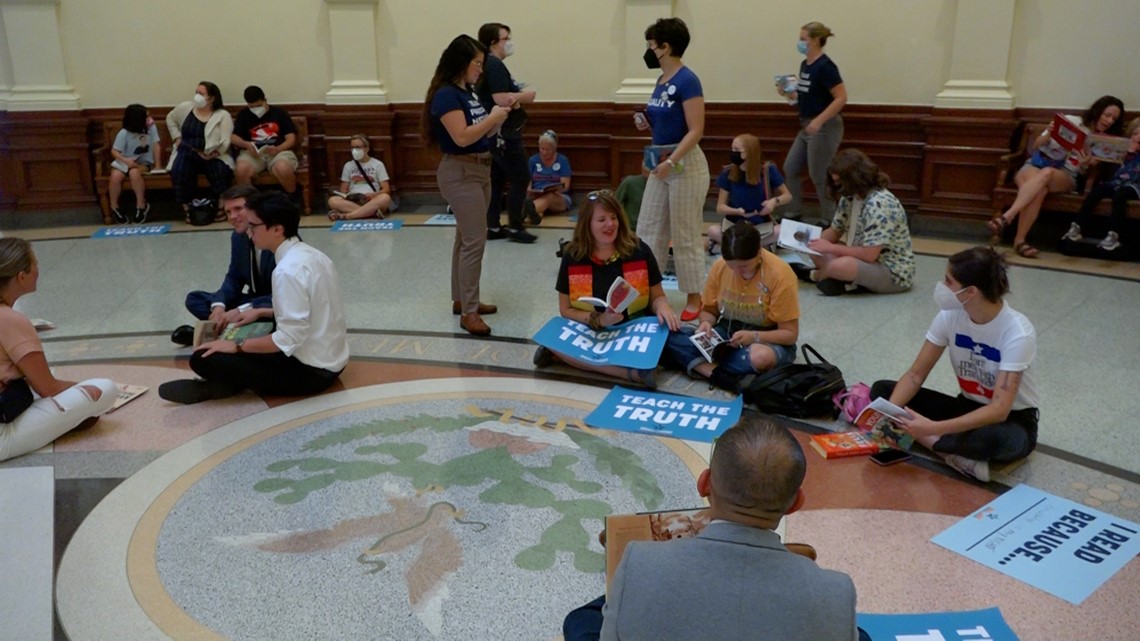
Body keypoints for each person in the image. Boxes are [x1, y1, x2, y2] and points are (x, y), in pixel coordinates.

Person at [562, 416, 859, 641]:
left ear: (704, 483)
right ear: (796, 502)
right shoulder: (836, 593)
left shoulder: (639, 561)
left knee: (583, 619)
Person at [159, 192, 348, 404]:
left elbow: (287, 340)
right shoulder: (313, 255)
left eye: (254, 226)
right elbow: (308, 308)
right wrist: (260, 311)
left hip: (311, 373)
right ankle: (228, 380)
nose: (249, 232)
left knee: (203, 359)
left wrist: (237, 345)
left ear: (277, 229)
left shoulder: (287, 271)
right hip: (333, 361)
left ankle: (222, 384)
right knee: (229, 346)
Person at [872, 246, 1039, 482]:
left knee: (989, 440)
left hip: (1011, 421)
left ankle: (933, 441)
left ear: (970, 291)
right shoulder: (949, 316)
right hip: (966, 407)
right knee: (883, 392)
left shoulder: (1017, 333)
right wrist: (886, 415)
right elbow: (915, 375)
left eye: (948, 281)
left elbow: (999, 410)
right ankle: (951, 453)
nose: (942, 286)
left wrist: (932, 428)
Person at [533, 190, 679, 388]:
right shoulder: (572, 256)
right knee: (551, 333)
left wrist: (663, 307)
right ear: (587, 225)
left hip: (632, 329)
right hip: (592, 330)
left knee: (667, 339)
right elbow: (565, 310)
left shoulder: (639, 250)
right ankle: (633, 373)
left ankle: (564, 357)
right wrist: (599, 319)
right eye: (602, 219)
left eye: (613, 217)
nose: (610, 224)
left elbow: (657, 296)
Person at [423, 34, 511, 336]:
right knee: (475, 241)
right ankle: (469, 313)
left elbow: (479, 131)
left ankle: (462, 300)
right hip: (460, 173)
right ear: (461, 63)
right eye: (477, 63)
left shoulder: (468, 92)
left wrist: (498, 118)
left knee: (465, 238)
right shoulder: (447, 95)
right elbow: (461, 137)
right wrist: (492, 118)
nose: (480, 69)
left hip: (479, 170)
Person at [0, 238, 117, 462]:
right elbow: (48, 388)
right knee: (104, 389)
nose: (38, 270)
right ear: (21, 276)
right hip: (3, 435)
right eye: (35, 264)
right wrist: (81, 389)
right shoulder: (10, 319)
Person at [634, 17, 710, 322]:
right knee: (647, 228)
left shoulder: (688, 80)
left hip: (685, 164)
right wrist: (646, 122)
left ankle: (694, 296)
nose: (649, 49)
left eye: (652, 44)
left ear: (665, 47)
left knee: (685, 232)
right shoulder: (661, 80)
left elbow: (696, 130)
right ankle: (649, 291)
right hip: (661, 162)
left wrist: (671, 161)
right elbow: (665, 121)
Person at [662, 223, 799, 392]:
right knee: (666, 335)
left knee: (760, 357)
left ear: (758, 252)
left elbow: (790, 334)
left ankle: (698, 364)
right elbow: (709, 311)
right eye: (731, 266)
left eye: (744, 266)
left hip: (766, 338)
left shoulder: (780, 274)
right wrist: (706, 324)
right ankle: (718, 373)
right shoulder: (720, 267)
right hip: (727, 331)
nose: (737, 272)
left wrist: (754, 336)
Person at [988, 95, 1124, 258]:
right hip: (1035, 164)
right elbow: (1037, 145)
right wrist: (1048, 134)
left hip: (1065, 175)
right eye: (1107, 115)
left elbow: (1085, 173)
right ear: (1098, 111)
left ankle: (1007, 217)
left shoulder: (1103, 142)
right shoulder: (1072, 121)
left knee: (1046, 174)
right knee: (1040, 189)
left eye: (1114, 119)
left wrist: (1087, 163)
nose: (1109, 121)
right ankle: (1020, 241)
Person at [174, 185, 276, 346]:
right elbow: (234, 277)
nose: (232, 216)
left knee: (276, 312)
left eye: (238, 209)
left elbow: (286, 294)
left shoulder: (275, 236)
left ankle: (223, 330)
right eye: (228, 212)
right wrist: (219, 307)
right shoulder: (238, 237)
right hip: (252, 299)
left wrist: (242, 310)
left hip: (275, 303)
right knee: (195, 299)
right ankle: (225, 327)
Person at [806, 149, 915, 296]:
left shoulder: (880, 204)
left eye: (840, 182)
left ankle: (817, 275)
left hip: (890, 270)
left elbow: (869, 255)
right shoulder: (850, 196)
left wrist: (830, 248)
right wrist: (809, 243)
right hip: (863, 260)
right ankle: (846, 281)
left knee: (840, 265)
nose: (838, 187)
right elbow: (835, 231)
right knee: (818, 251)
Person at [775, 21, 846, 224]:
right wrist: (788, 93)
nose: (800, 43)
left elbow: (841, 97)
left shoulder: (826, 66)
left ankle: (830, 219)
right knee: (791, 167)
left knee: (820, 174)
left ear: (815, 40)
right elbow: (804, 96)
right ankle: (794, 211)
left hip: (824, 127)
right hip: (806, 124)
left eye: (803, 39)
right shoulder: (805, 64)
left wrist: (819, 120)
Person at [477, 22, 537, 244]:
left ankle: (492, 225)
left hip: (493, 132)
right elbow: (502, 99)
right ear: (493, 42)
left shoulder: (488, 65)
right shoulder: (493, 64)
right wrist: (526, 96)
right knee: (521, 176)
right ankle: (515, 226)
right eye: (506, 38)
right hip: (502, 132)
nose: (510, 43)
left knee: (497, 179)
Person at [1062, 116, 1140, 255]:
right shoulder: (1124, 151)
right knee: (1097, 191)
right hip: (1117, 182)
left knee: (1120, 195)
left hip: (1135, 186)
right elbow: (1112, 161)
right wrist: (1126, 152)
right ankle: (1077, 226)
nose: (1138, 137)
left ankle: (1114, 234)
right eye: (1135, 134)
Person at [706, 133, 791, 253]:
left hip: (761, 226)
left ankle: (734, 248)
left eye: (737, 150)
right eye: (732, 149)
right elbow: (720, 207)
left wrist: (774, 202)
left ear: (750, 152)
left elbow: (787, 196)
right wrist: (737, 211)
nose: (733, 153)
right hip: (735, 226)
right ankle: (754, 248)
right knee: (712, 230)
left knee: (783, 230)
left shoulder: (768, 170)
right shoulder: (727, 172)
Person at [166, 81, 234, 224]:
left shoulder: (222, 115)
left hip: (212, 154)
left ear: (211, 98)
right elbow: (170, 118)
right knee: (180, 169)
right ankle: (188, 209)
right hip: (188, 150)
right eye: (196, 92)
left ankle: (221, 208)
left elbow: (226, 140)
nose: (197, 96)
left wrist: (214, 153)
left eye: (201, 94)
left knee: (220, 171)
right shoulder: (185, 108)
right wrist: (177, 138)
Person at [231, 86, 301, 204]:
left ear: (265, 100)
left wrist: (278, 148)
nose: (255, 109)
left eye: (258, 106)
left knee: (282, 168)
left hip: (278, 151)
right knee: (241, 170)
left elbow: (291, 139)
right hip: (253, 153)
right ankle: (251, 202)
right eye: (251, 107)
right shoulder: (243, 115)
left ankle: (293, 198)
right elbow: (233, 137)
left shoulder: (279, 113)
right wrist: (247, 145)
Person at [108, 103, 162, 224]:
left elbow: (156, 145)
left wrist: (158, 166)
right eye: (146, 117)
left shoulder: (151, 128)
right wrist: (126, 161)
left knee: (134, 173)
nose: (150, 119)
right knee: (115, 177)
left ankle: (141, 205)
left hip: (141, 163)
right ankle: (114, 207)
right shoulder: (124, 133)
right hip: (124, 161)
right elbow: (115, 151)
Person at [326, 134, 395, 221]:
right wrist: (347, 195)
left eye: (358, 147)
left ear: (366, 148)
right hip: (353, 201)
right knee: (332, 201)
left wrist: (374, 195)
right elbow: (343, 190)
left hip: (372, 200)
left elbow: (386, 189)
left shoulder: (378, 164)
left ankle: (347, 216)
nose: (355, 150)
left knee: (385, 198)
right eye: (353, 147)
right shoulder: (348, 165)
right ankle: (372, 214)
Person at [524, 129, 572, 224]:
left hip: (558, 197)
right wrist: (530, 191)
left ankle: (524, 212)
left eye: (548, 149)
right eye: (542, 149)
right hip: (536, 195)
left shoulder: (562, 160)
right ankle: (534, 214)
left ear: (554, 148)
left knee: (549, 196)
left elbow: (565, 186)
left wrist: (555, 190)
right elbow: (527, 183)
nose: (544, 152)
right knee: (537, 206)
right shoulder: (533, 160)